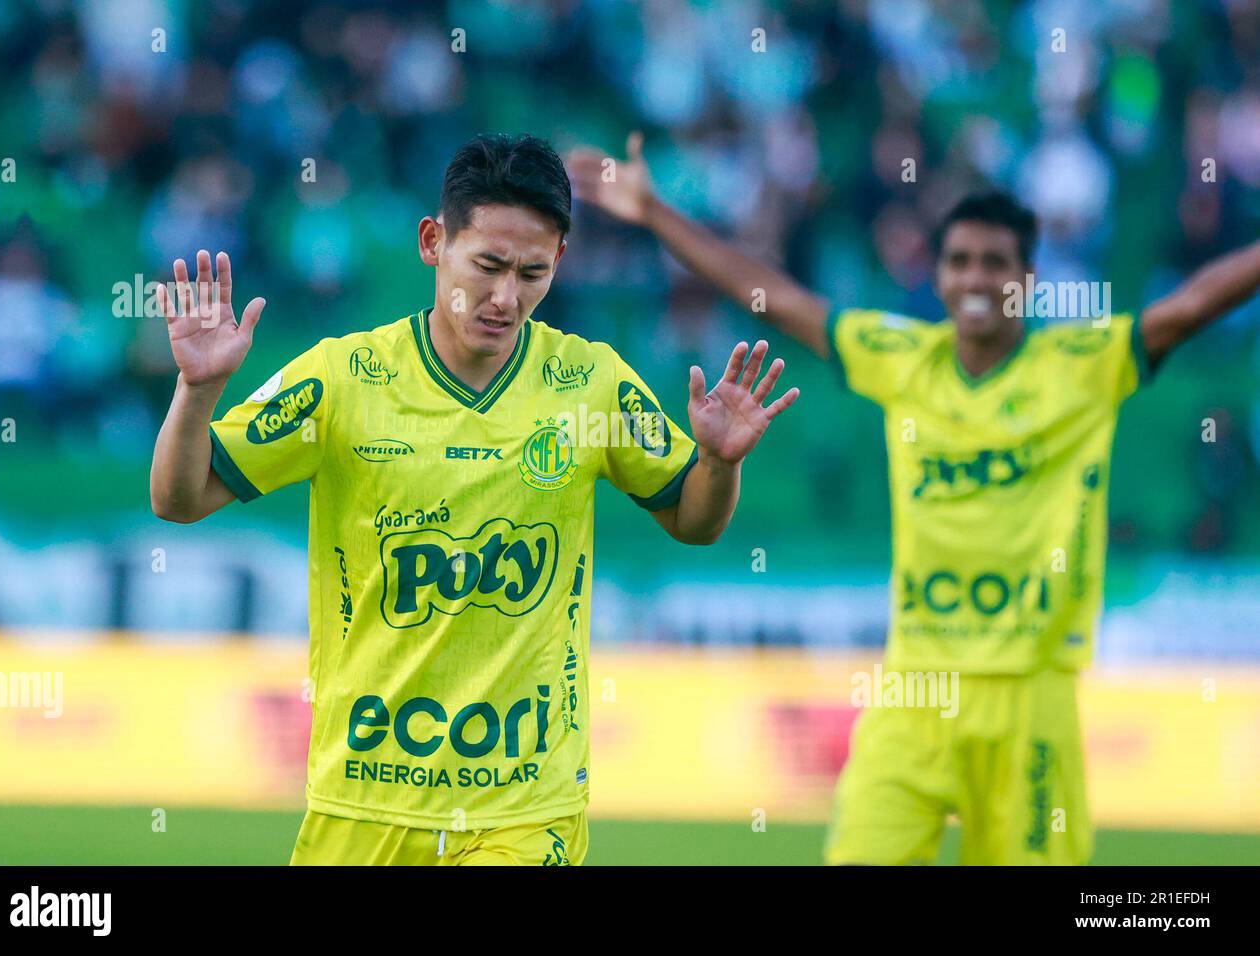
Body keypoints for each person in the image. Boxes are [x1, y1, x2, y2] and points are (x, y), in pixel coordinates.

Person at [568, 132, 1260, 865]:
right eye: (959, 261)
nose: (974, 278)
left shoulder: (1083, 365)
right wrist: (654, 214)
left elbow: (1186, 308)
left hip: (1031, 696)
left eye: (995, 263)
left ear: (1028, 278)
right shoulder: (901, 359)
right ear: (937, 275)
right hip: (912, 693)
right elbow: (776, 299)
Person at [149, 133, 799, 865]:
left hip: (524, 807)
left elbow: (695, 521)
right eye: (486, 266)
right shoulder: (343, 379)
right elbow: (180, 498)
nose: (504, 297)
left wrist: (717, 462)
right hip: (365, 797)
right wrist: (197, 392)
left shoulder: (592, 384)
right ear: (434, 242)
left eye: (532, 273)